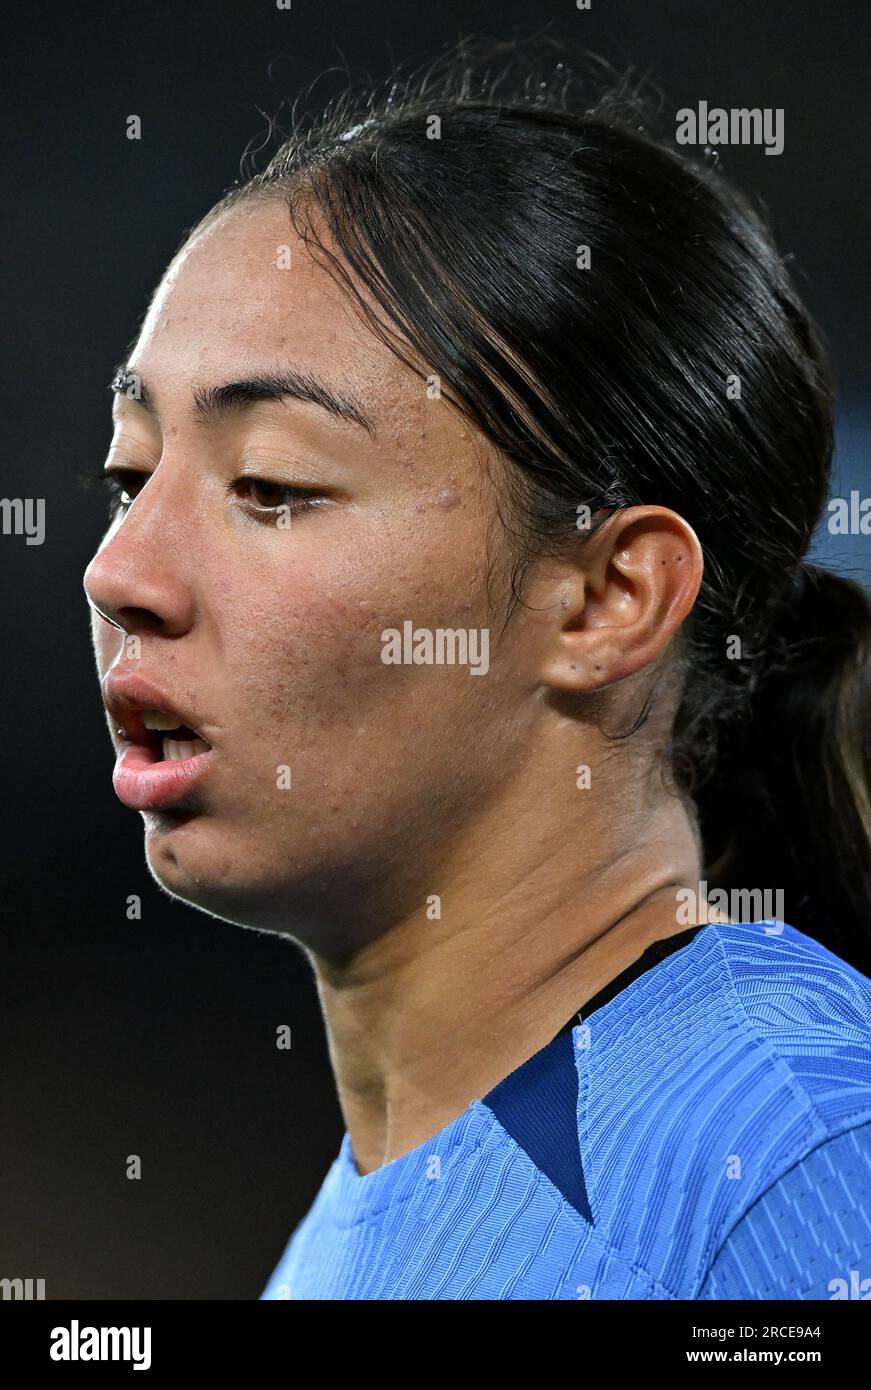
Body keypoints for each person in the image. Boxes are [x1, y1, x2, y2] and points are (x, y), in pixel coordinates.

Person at [82, 37, 871, 1299]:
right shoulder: (341, 1235)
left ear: (609, 598)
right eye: (131, 475)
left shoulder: (800, 1159)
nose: (120, 573)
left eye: (271, 486)